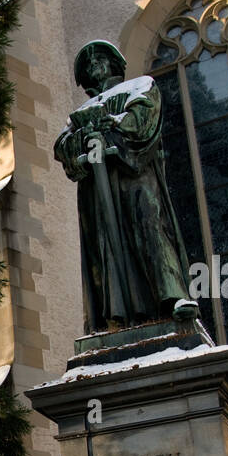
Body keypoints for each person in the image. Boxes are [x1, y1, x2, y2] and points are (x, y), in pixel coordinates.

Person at [54, 40, 191, 333]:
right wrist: (84, 139)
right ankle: (113, 316)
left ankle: (173, 298)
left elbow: (142, 121)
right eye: (89, 66)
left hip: (135, 177)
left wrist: (107, 129)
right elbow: (62, 146)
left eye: (100, 59)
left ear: (114, 63)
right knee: (104, 250)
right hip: (98, 190)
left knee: (150, 229)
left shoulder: (140, 86)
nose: (94, 67)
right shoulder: (81, 111)